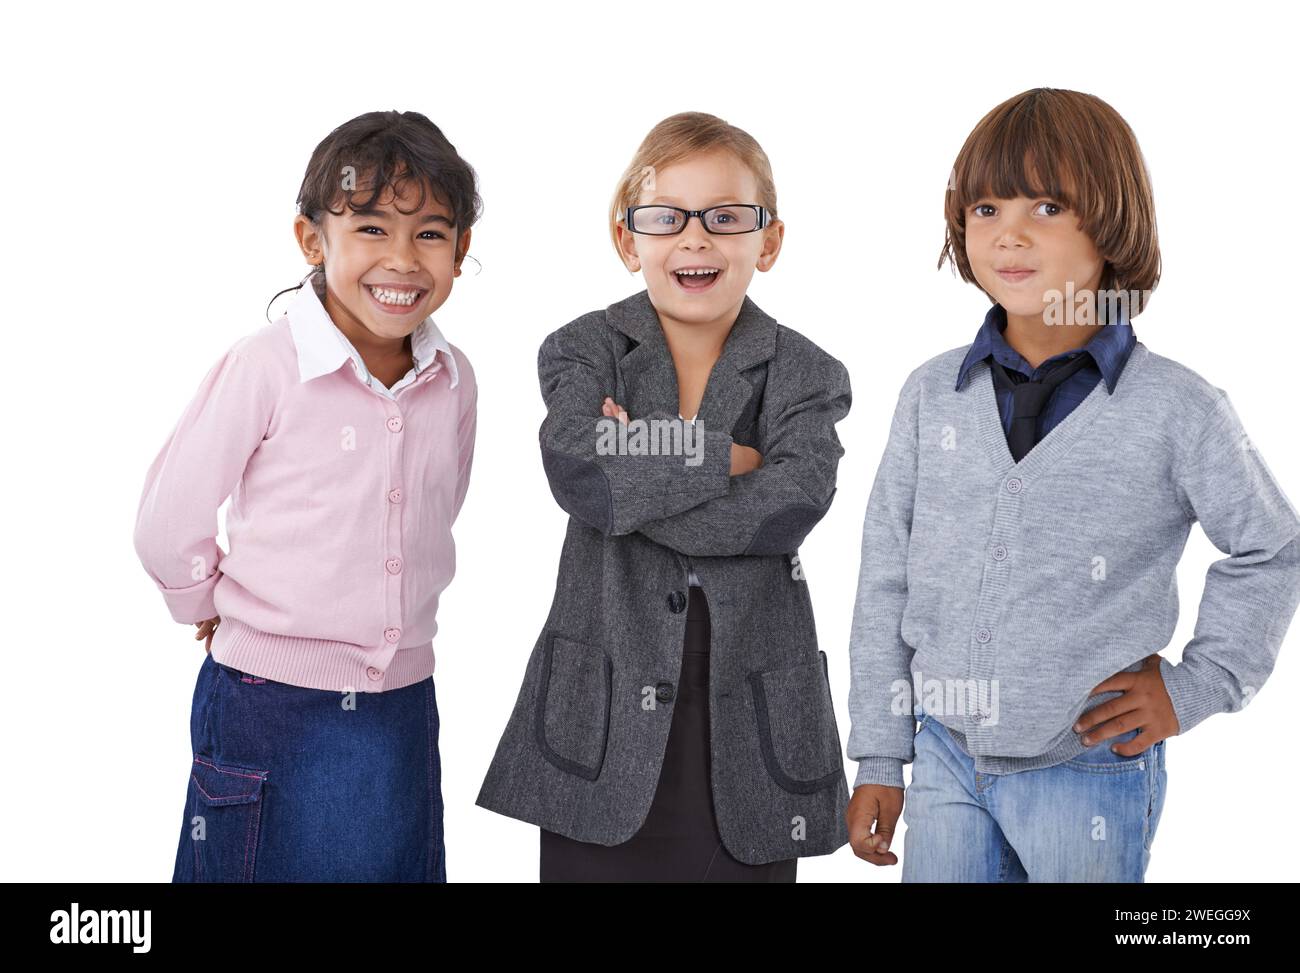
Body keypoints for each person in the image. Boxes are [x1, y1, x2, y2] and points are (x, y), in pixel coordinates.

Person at [845, 87, 1300, 882]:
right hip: (944, 755)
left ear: (1112, 223)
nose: (1010, 233)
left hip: (1086, 765)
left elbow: (1272, 543)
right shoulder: (929, 395)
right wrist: (880, 750)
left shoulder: (1177, 408)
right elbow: (885, 577)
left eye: (1047, 205)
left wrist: (1197, 684)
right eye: (985, 207)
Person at [476, 111, 853, 882]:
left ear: (768, 240)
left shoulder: (807, 371)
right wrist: (727, 456)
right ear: (628, 240)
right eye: (665, 218)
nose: (695, 239)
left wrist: (639, 466)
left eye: (725, 217)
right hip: (600, 726)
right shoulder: (582, 348)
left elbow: (792, 503)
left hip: (749, 731)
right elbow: (582, 474)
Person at [133, 110, 480, 882]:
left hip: (400, 702)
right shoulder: (268, 365)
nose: (402, 258)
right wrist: (208, 602)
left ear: (461, 250)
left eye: (430, 232)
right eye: (370, 228)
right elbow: (167, 520)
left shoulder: (454, 381)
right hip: (270, 702)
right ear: (312, 240)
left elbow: (432, 507)